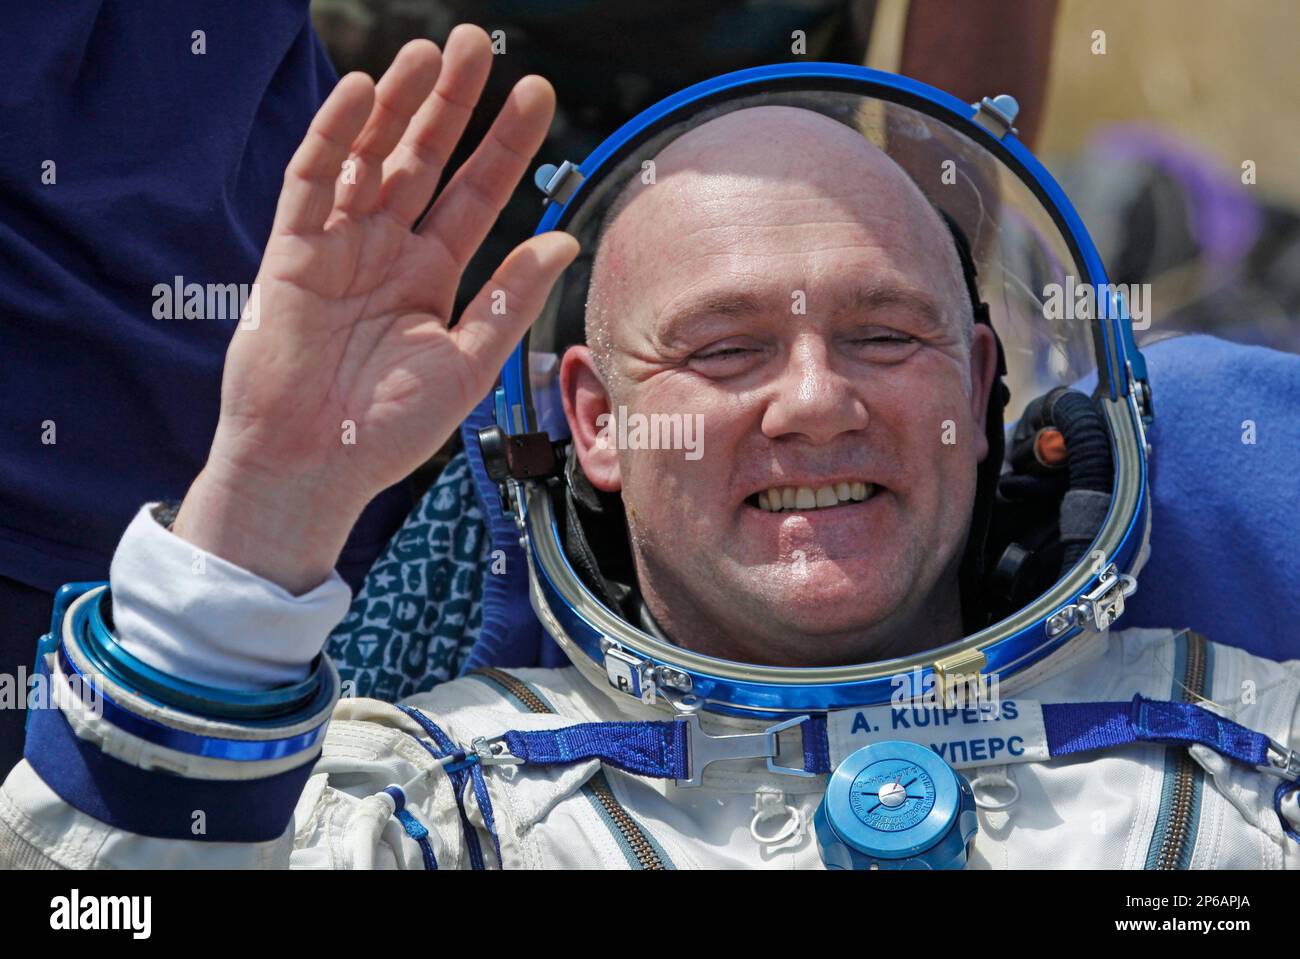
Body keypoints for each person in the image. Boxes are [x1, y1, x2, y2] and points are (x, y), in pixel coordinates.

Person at [2, 29, 1297, 870]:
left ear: (978, 377)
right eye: (725, 352)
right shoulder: (426, 800)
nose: (812, 404)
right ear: (595, 422)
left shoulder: (1240, 747)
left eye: (886, 336)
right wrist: (269, 494)